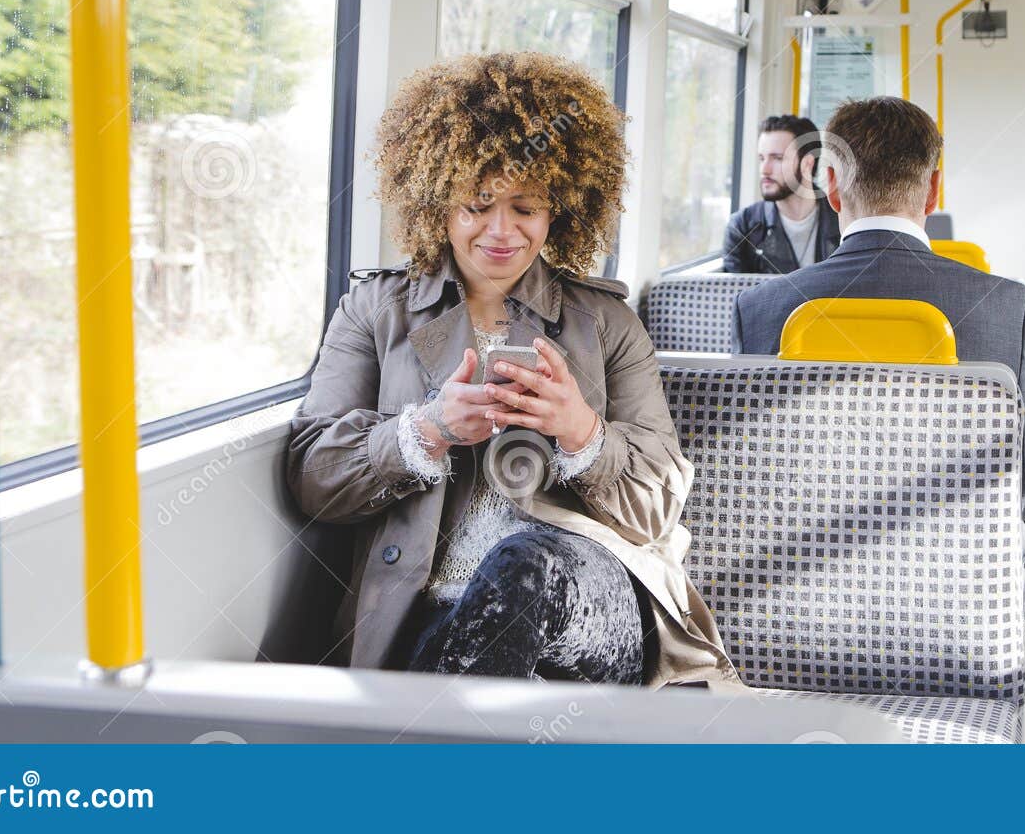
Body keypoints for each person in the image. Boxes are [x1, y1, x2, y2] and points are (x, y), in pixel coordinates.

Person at [287, 51, 738, 688]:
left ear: (558, 211)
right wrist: (428, 430)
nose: (501, 231)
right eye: (476, 205)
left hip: (587, 599)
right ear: (438, 204)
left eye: (525, 208)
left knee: (523, 563)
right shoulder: (374, 310)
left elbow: (655, 511)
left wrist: (583, 431)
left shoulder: (607, 323)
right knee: (470, 641)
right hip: (430, 607)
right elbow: (313, 477)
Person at [731, 96, 1025, 618]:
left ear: (833, 188)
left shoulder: (762, 309)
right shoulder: (1008, 308)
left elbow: (750, 479)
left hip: (798, 597)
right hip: (959, 601)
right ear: (933, 190)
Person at [720, 115, 841, 273]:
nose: (765, 169)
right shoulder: (742, 228)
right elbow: (735, 295)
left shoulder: (843, 221)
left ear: (807, 164)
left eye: (777, 158)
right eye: (761, 158)